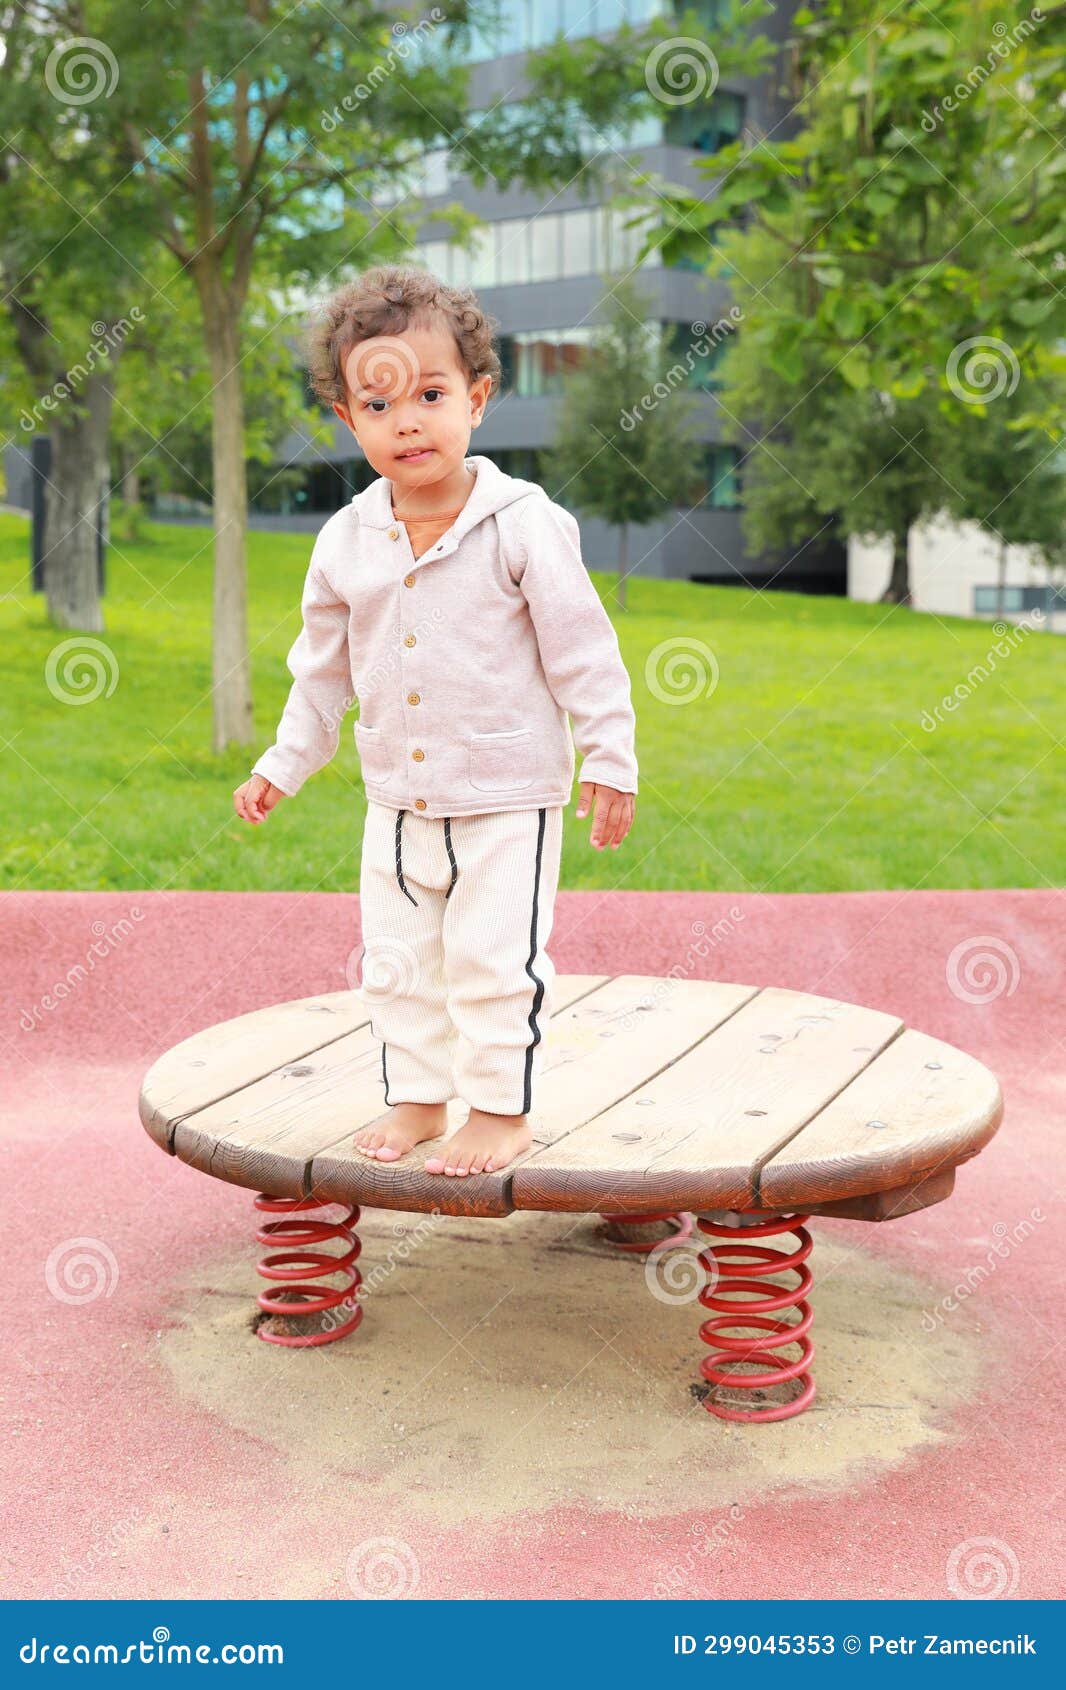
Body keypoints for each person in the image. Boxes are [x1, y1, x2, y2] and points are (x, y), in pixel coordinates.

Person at [233, 265, 638, 1178]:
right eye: (379, 406)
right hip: (396, 802)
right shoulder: (344, 540)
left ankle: (498, 1111)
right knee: (398, 964)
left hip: (507, 798)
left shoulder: (523, 524)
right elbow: (321, 675)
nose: (407, 422)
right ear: (349, 420)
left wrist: (610, 757)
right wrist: (282, 764)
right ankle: (418, 1098)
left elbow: (584, 651)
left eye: (430, 395)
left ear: (477, 398)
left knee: (494, 961)